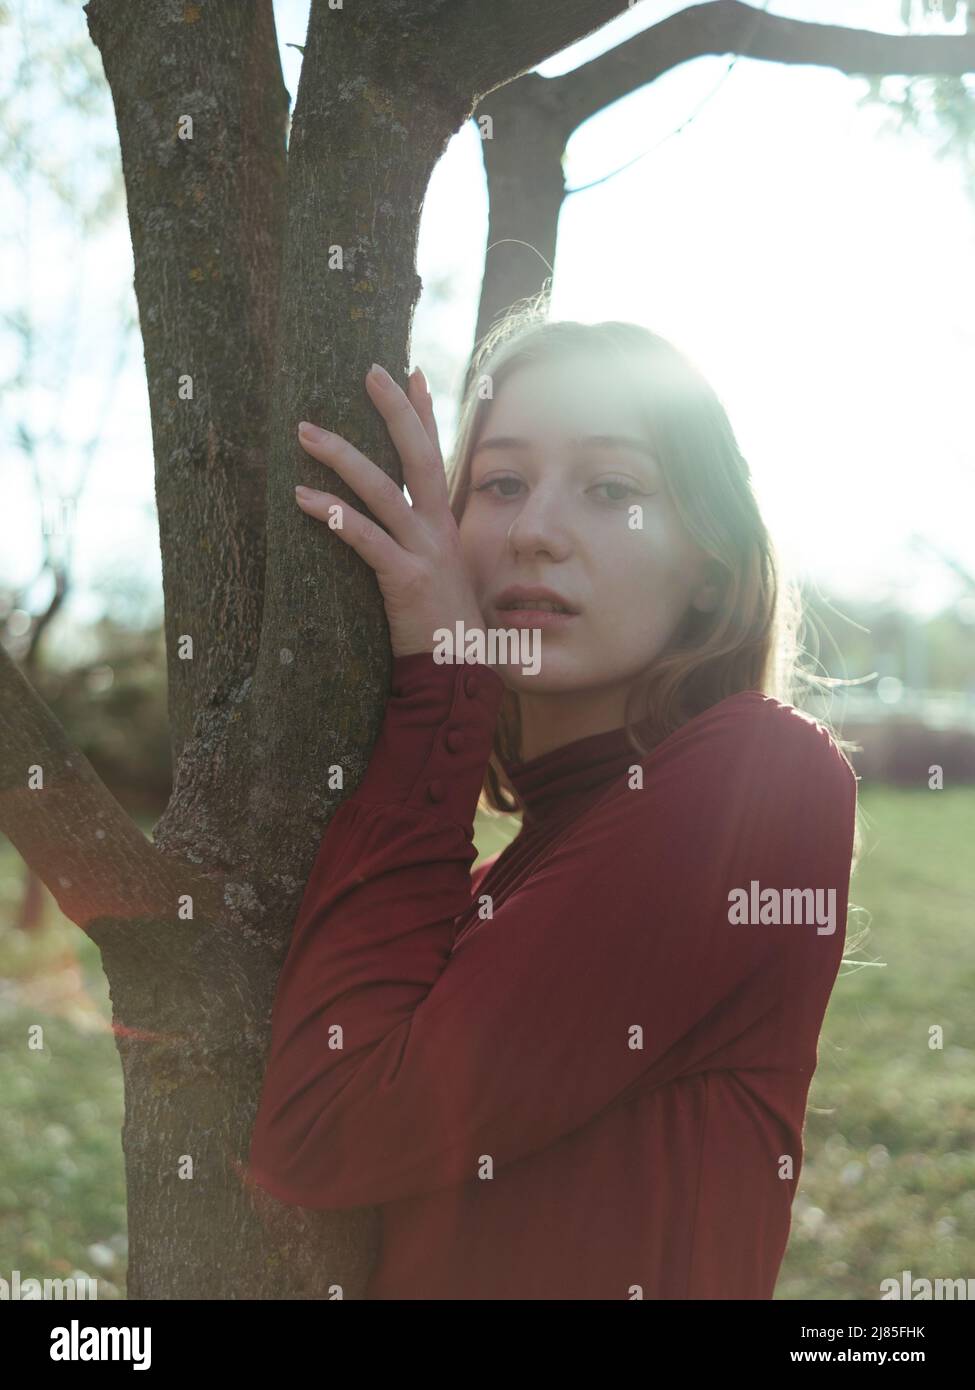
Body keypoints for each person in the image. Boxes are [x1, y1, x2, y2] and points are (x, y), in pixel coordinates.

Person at [247, 314, 860, 1300]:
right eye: (500, 484)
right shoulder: (494, 886)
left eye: (613, 489)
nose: (535, 529)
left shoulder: (764, 779)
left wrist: (446, 682)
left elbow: (323, 1129)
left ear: (710, 563)